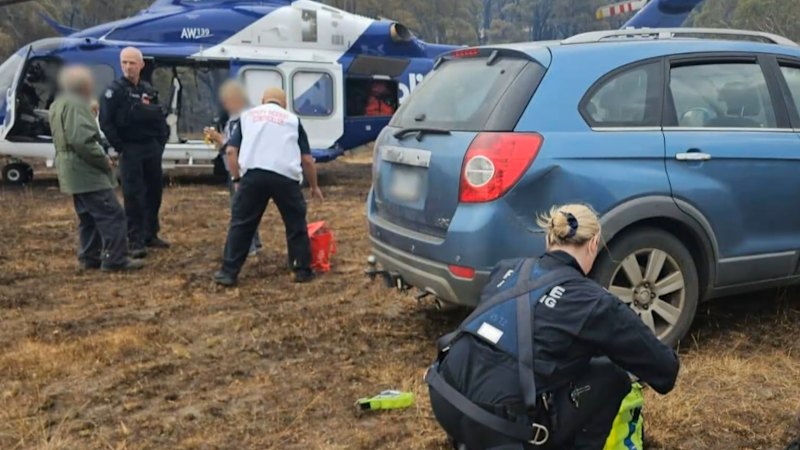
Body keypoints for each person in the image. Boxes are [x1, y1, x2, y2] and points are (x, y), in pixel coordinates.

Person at [426, 204, 680, 450]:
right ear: (593, 244)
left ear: (549, 239)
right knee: (611, 376)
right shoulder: (594, 301)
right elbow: (665, 370)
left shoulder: (509, 268)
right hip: (499, 425)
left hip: (445, 395)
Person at [213, 87, 324, 286]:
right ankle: (301, 270)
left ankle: (228, 273)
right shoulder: (292, 120)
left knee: (242, 224)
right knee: (295, 224)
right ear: (285, 104)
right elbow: (307, 160)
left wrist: (237, 179)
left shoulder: (247, 117)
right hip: (285, 177)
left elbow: (231, 151)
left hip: (253, 176)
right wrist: (314, 186)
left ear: (263, 100)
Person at [49, 65, 144, 272]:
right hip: (86, 171)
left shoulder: (58, 104)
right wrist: (104, 160)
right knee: (113, 214)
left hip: (71, 171)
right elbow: (82, 141)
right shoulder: (77, 105)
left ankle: (89, 256)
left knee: (89, 216)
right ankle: (115, 259)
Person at [99, 46, 170, 258]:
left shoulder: (148, 90)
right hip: (130, 148)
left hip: (151, 148)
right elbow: (106, 122)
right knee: (134, 195)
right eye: (124, 63)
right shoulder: (114, 91)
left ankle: (150, 234)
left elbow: (160, 119)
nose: (128, 67)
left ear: (141, 65)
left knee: (154, 192)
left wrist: (160, 143)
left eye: (132, 63)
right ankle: (135, 240)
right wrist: (121, 146)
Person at [204, 79, 262, 256]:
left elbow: (234, 147)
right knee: (247, 208)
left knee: (242, 210)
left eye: (228, 100)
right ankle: (255, 243)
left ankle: (247, 247)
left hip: (241, 170)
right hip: (234, 168)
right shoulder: (233, 118)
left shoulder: (244, 118)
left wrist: (218, 138)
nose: (226, 104)